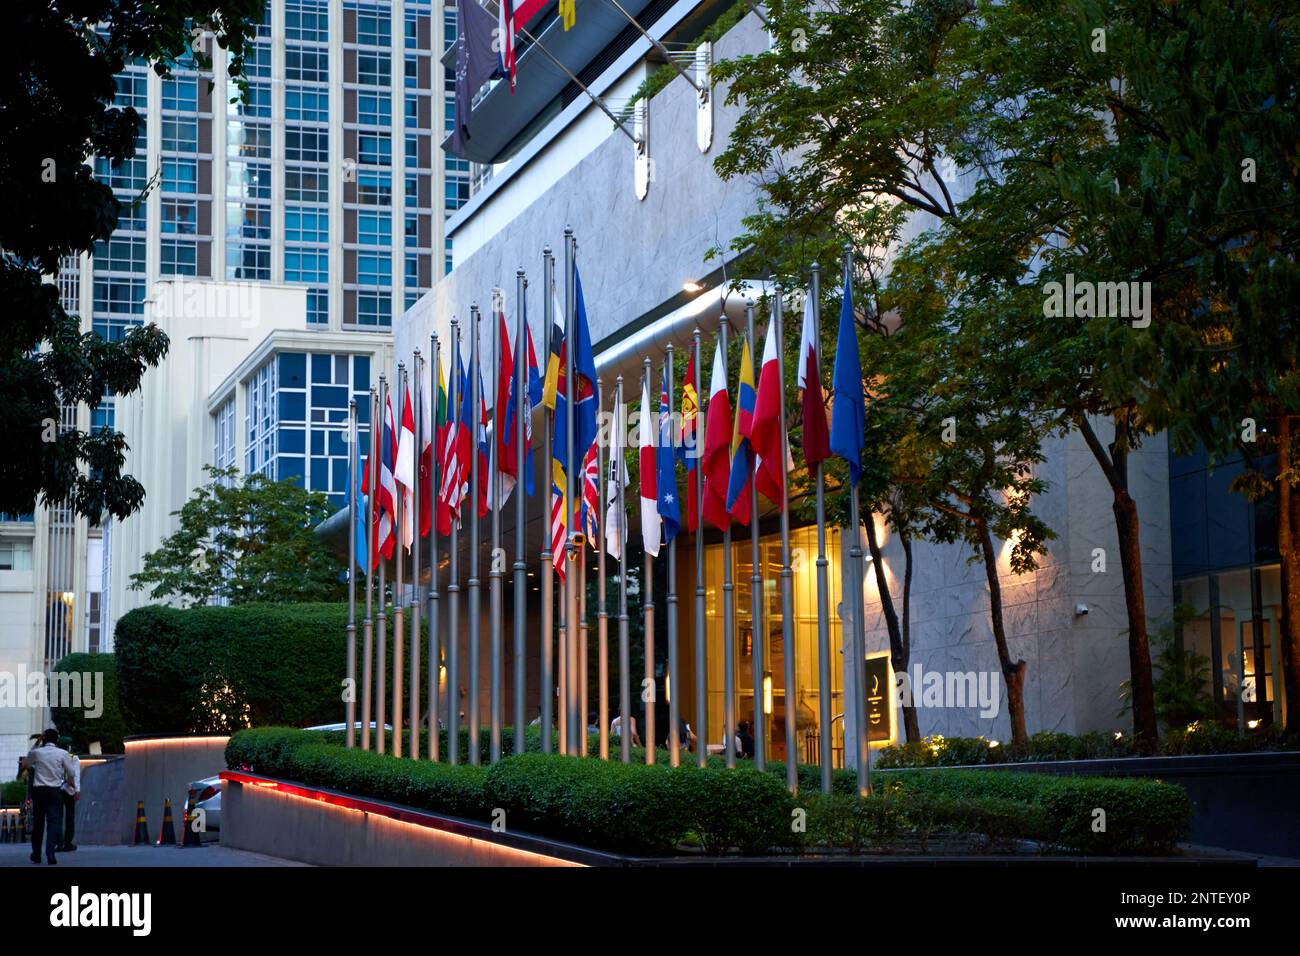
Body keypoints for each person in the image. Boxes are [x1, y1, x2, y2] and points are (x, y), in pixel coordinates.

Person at [25, 728, 76, 865]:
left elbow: (26, 763)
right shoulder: (63, 753)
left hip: (39, 791)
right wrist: (71, 784)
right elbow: (71, 772)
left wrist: (36, 743)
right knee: (53, 823)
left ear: (43, 739)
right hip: (54, 791)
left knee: (38, 824)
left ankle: (36, 854)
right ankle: (51, 854)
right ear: (57, 740)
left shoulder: (37, 752)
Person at [60, 749, 80, 852]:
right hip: (69, 790)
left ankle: (58, 843)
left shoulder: (55, 755)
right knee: (70, 817)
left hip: (56, 789)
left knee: (56, 818)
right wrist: (77, 790)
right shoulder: (73, 757)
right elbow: (75, 774)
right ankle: (68, 843)